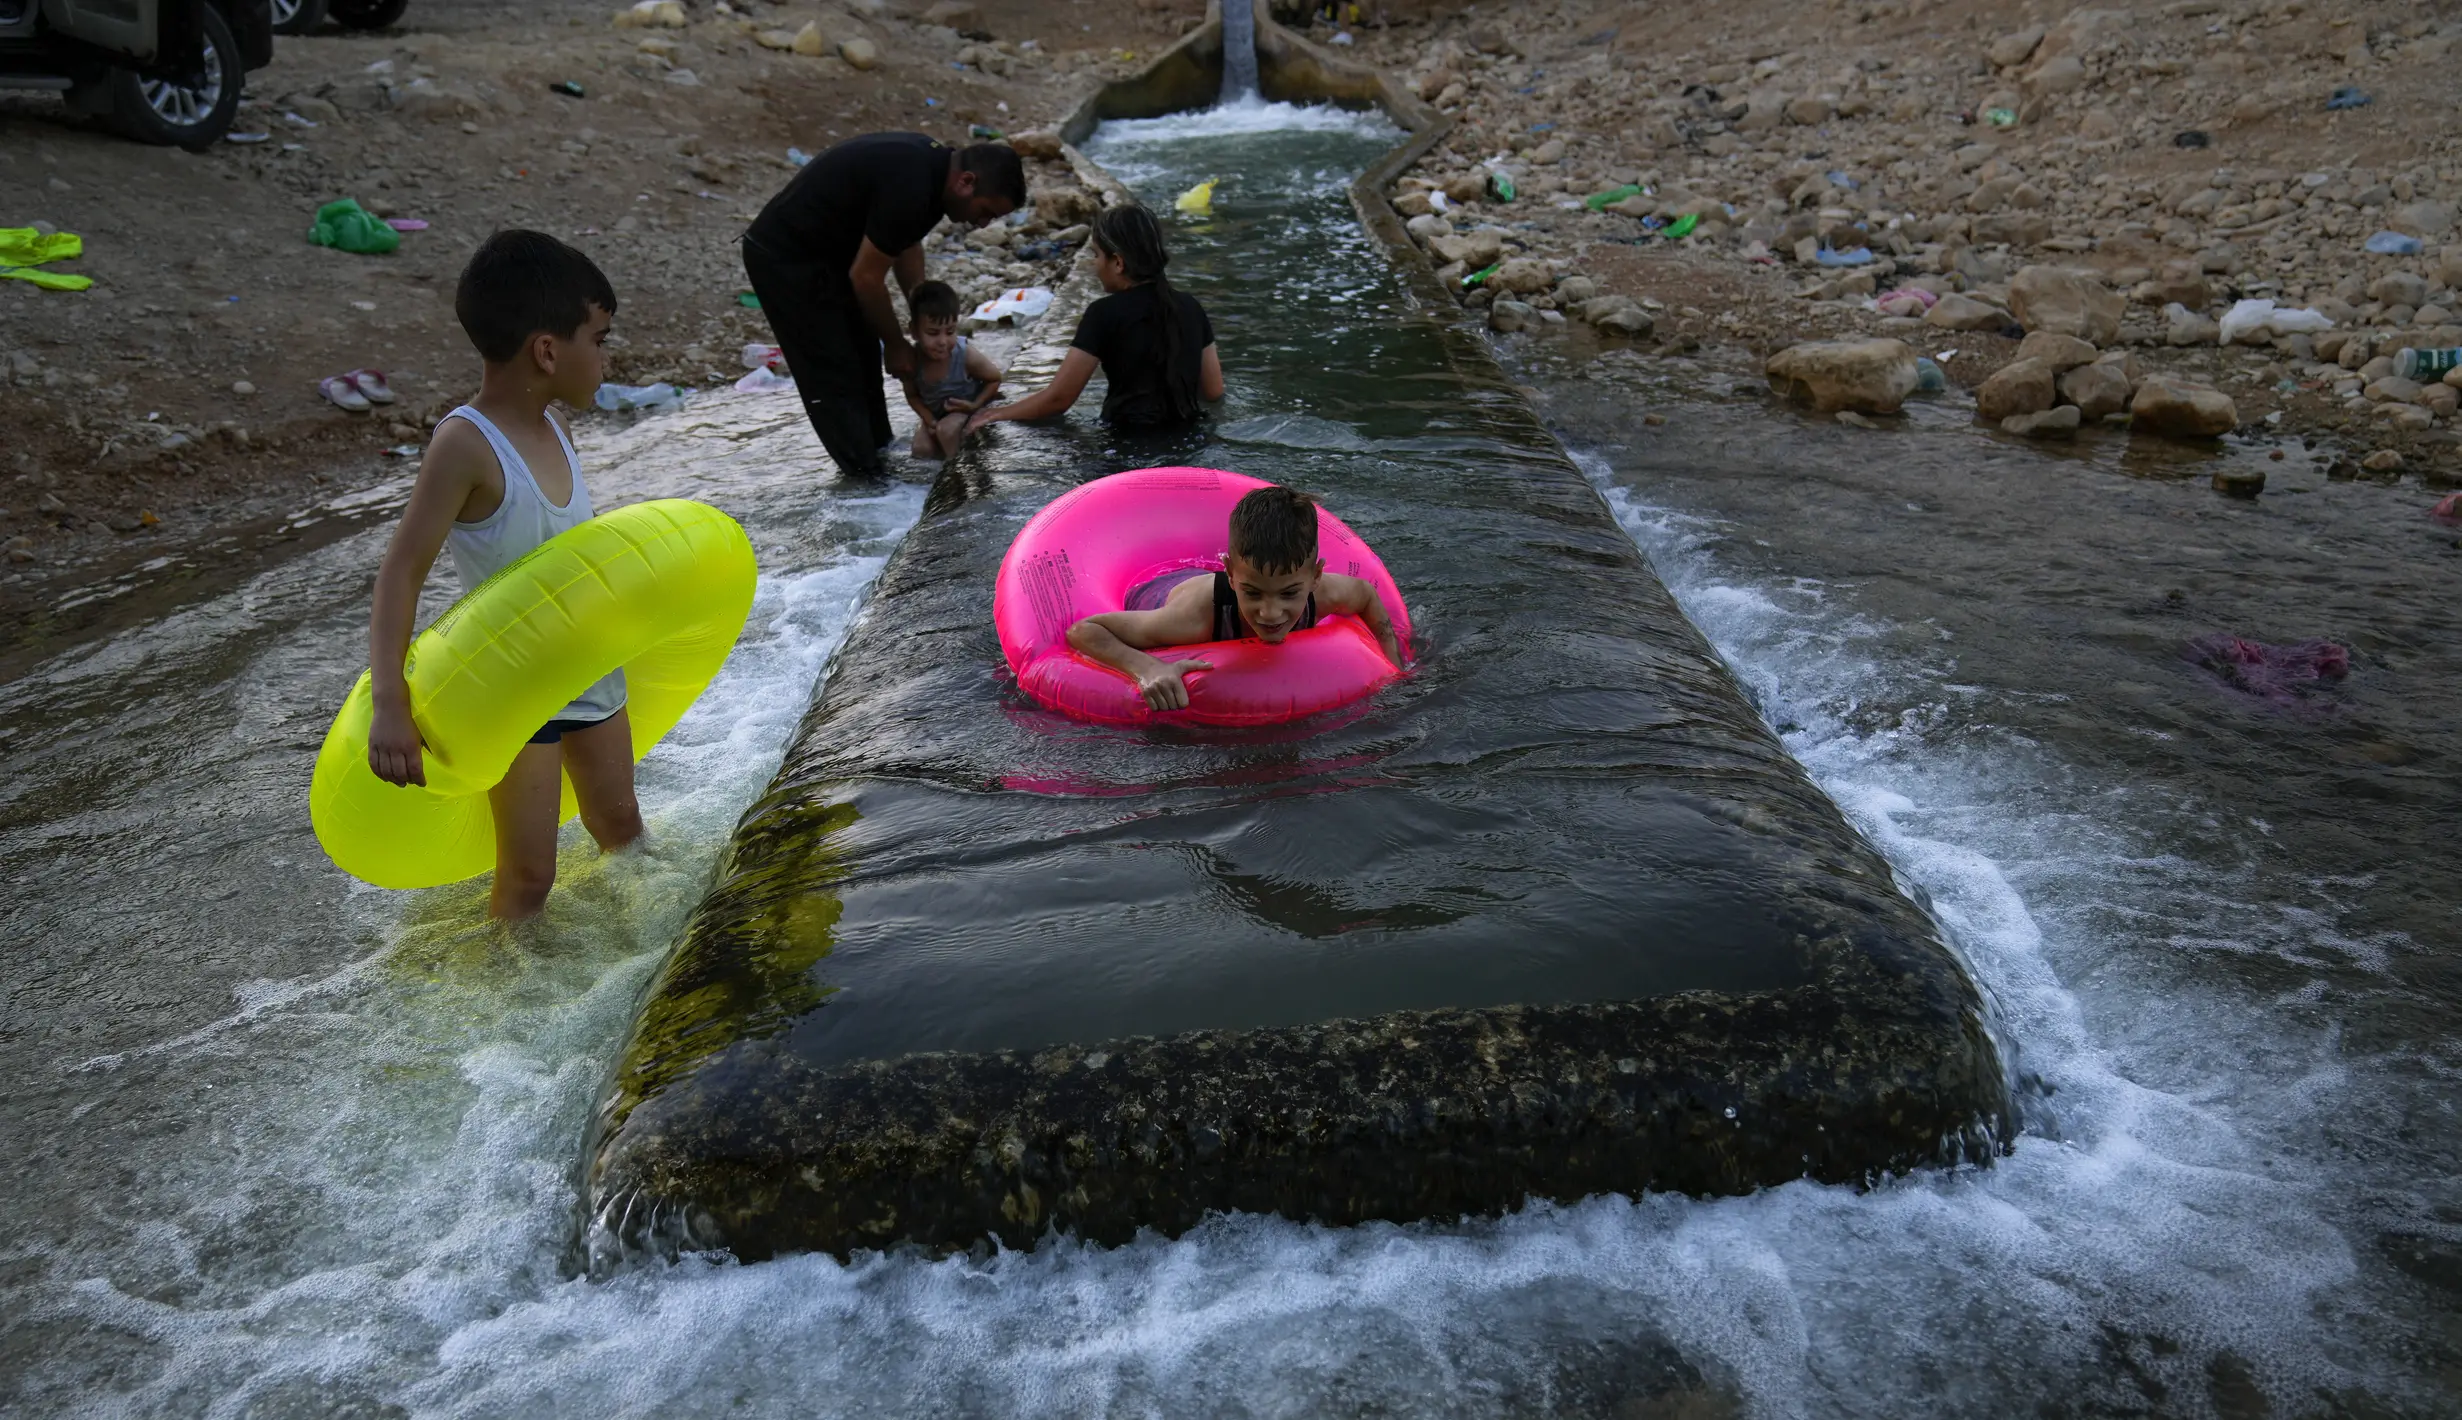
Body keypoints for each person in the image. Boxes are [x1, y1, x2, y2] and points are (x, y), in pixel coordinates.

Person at [363, 230, 638, 920]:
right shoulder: (465, 445)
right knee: (529, 877)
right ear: (548, 350)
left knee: (623, 830)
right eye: (598, 339)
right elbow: (401, 573)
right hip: (517, 693)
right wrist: (391, 705)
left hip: (589, 668)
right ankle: (505, 1017)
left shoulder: (557, 430)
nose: (605, 357)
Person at [741, 133, 1025, 478]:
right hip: (787, 258)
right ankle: (865, 482)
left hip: (831, 257)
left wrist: (923, 321)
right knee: (834, 367)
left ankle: (880, 455)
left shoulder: (934, 175)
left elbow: (906, 244)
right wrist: (895, 344)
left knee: (863, 353)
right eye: (986, 212)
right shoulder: (913, 184)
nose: (981, 224)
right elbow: (866, 278)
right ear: (967, 182)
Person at [1065, 485, 1404, 711]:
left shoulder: (1326, 593)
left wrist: (1395, 669)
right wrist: (1147, 667)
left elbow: (1367, 595)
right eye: (1253, 593)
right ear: (1228, 571)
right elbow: (1085, 631)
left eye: (1289, 594)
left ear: (1315, 576)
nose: (1270, 613)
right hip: (1159, 589)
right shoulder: (1194, 617)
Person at [966, 203, 1224, 433]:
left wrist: (995, 414)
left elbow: (1059, 400)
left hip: (1125, 445)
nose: (1094, 264)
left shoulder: (1103, 313)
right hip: (1188, 441)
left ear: (1118, 263)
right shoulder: (1191, 307)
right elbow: (1213, 391)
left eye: (1096, 255)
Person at [899, 279, 1003, 460]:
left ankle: (956, 472)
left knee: (946, 431)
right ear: (914, 331)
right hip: (934, 414)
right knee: (921, 449)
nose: (942, 341)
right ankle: (930, 485)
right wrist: (928, 419)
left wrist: (975, 405)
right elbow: (912, 395)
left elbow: (994, 378)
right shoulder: (911, 362)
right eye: (932, 333)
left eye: (950, 332)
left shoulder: (964, 355)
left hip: (964, 410)